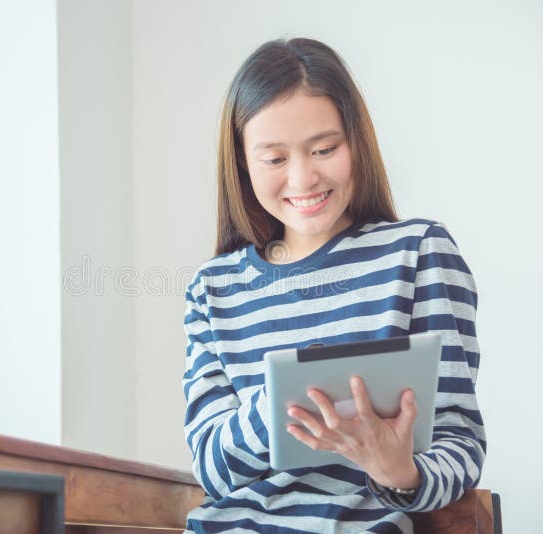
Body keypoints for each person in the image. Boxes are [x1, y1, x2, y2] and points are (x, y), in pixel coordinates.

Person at [181, 37, 485, 534]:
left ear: (355, 142)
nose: (303, 179)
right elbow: (213, 470)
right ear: (242, 163)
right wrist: (284, 403)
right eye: (274, 159)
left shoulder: (418, 254)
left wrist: (399, 471)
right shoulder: (214, 289)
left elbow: (459, 441)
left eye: (324, 149)